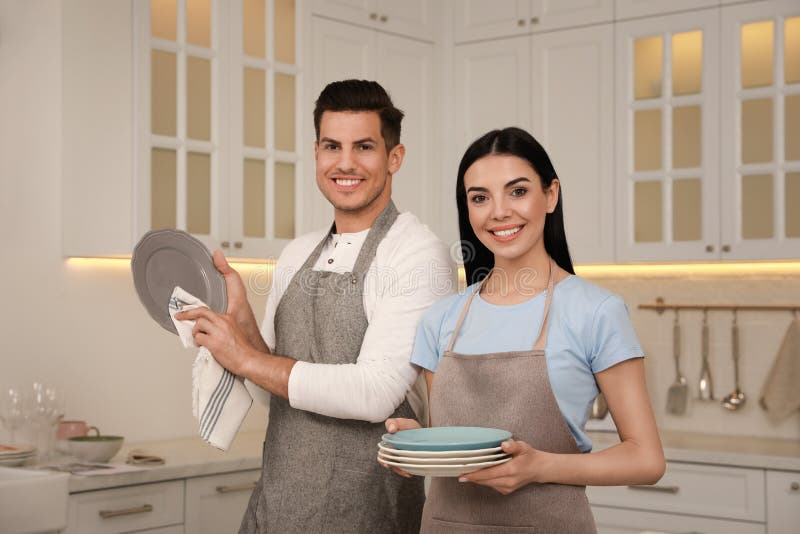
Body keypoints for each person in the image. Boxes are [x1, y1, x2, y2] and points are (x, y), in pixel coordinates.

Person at [177, 79, 454, 533]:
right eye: (332, 146)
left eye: (364, 146)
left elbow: (377, 391)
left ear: (394, 158)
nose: (346, 163)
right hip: (277, 508)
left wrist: (245, 356)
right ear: (316, 154)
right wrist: (241, 322)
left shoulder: (417, 253)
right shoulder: (296, 253)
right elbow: (272, 391)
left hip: (367, 515)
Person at [383, 127, 665, 533]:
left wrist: (541, 467)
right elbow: (450, 438)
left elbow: (646, 459)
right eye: (480, 198)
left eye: (517, 191)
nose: (498, 211)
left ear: (550, 195)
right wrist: (416, 446)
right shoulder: (440, 319)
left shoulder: (596, 311)